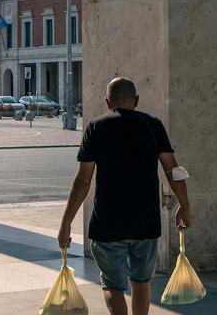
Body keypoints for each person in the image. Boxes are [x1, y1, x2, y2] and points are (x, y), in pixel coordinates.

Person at [57, 77, 191, 315]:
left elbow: (83, 181)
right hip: (146, 223)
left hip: (107, 224)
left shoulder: (96, 127)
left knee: (112, 286)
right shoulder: (153, 124)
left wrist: (66, 222)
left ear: (108, 103)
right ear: (136, 100)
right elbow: (173, 170)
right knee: (141, 284)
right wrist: (184, 205)